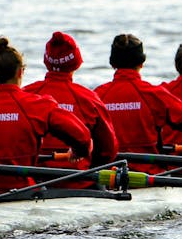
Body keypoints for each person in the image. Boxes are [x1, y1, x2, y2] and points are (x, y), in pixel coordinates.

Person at [0, 36, 93, 195]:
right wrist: (80, 152)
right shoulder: (38, 105)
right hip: (23, 191)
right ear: (20, 72)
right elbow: (83, 138)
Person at [95, 33, 182, 173]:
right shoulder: (154, 94)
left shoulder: (97, 95)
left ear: (112, 64)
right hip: (150, 175)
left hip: (108, 175)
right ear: (142, 63)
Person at [23, 31, 118, 175]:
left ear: (46, 61)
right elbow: (108, 151)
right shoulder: (89, 99)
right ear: (77, 63)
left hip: (31, 183)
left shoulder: (25, 95)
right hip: (79, 183)